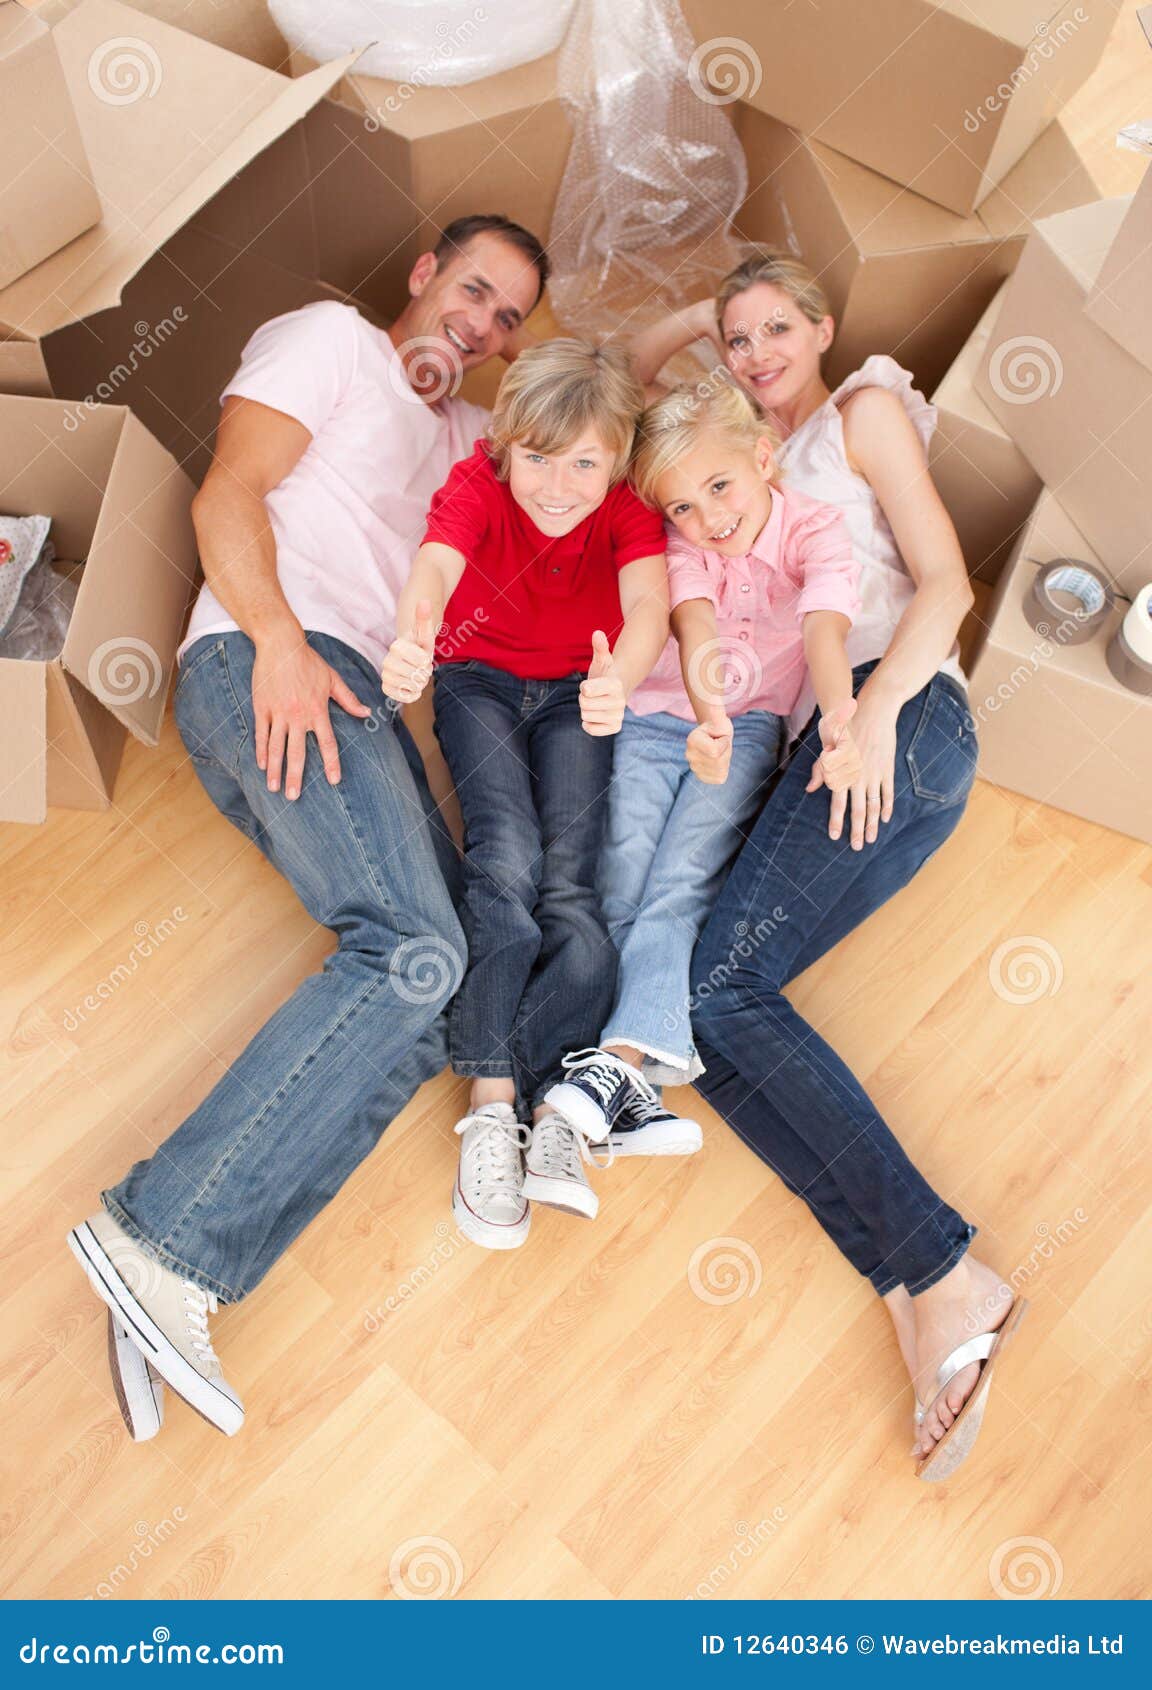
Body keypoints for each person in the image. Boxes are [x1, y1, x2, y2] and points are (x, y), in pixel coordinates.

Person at [66, 214, 548, 1437]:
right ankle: (160, 1233)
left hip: (363, 710)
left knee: (457, 989)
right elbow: (230, 493)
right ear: (422, 270)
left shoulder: (475, 443)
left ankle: (177, 1278)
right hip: (268, 659)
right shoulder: (333, 340)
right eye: (474, 290)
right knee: (415, 949)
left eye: (508, 320)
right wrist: (277, 642)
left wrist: (701, 319)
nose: (482, 326)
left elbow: (612, 407)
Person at [630, 250, 1024, 1482]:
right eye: (737, 340)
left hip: (903, 720)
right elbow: (639, 374)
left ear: (824, 328)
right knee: (705, 1012)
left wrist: (867, 719)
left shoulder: (859, 414)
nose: (753, 354)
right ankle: (913, 1288)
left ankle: (950, 1270)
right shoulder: (732, 463)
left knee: (721, 996)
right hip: (823, 740)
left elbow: (949, 583)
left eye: (775, 330)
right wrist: (709, 312)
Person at [381, 339, 668, 1246]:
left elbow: (652, 603)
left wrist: (618, 676)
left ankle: (552, 1117)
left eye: (584, 462)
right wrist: (416, 631)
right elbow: (435, 566)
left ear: (618, 459)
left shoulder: (624, 508)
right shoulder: (476, 483)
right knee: (503, 865)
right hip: (479, 681)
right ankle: (493, 1102)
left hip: (580, 692)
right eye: (537, 460)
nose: (556, 486)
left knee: (575, 901)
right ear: (504, 445)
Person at [544, 380, 862, 1158]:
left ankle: (614, 1068)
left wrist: (842, 724)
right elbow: (696, 629)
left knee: (683, 883)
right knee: (619, 881)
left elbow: (825, 636)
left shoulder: (818, 531)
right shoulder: (684, 546)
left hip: (749, 729)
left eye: (718, 487)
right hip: (661, 718)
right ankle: (631, 1095)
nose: (708, 518)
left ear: (762, 458)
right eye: (681, 507)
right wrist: (705, 715)